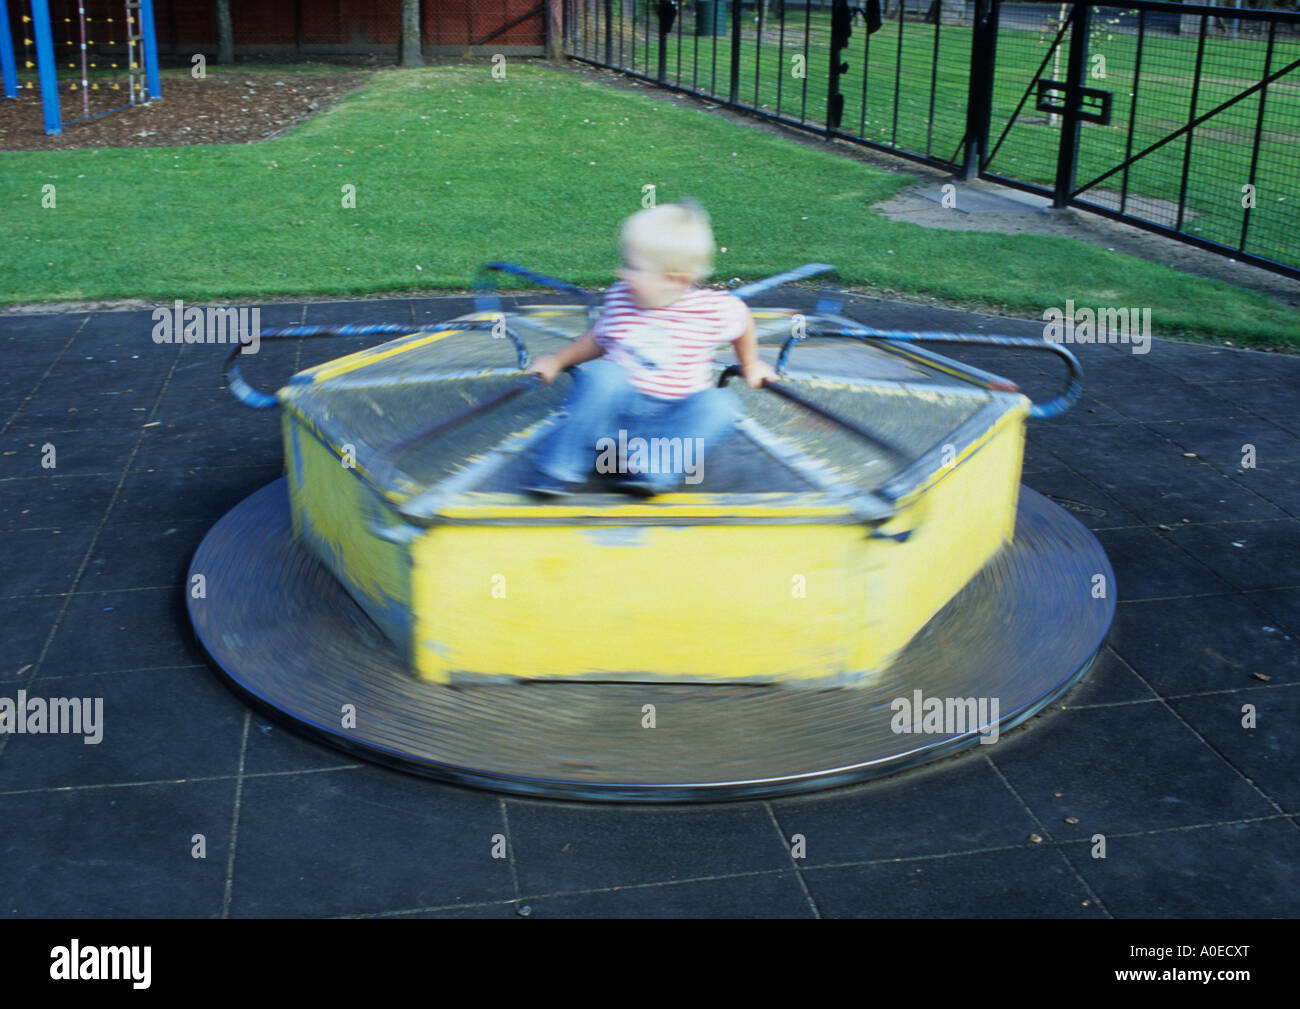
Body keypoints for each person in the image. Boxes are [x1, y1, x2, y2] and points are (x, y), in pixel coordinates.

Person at [524, 200, 777, 496]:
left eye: (634, 268)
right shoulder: (621, 298)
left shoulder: (712, 309)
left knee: (722, 405)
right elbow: (598, 338)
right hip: (612, 424)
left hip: (671, 428)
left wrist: (750, 364)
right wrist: (557, 360)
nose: (622, 274)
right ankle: (557, 469)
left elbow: (743, 320)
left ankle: (650, 471)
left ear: (676, 280)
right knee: (604, 375)